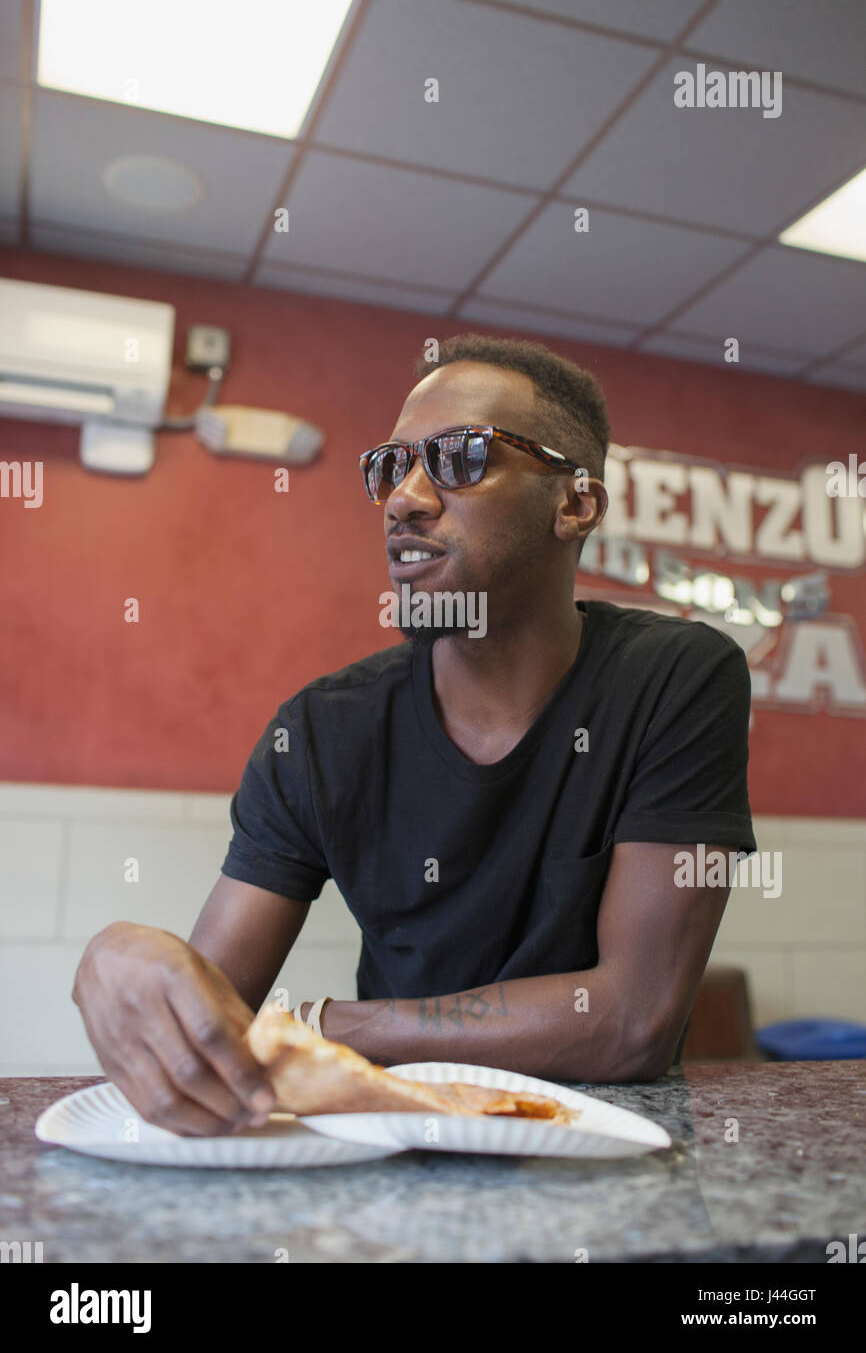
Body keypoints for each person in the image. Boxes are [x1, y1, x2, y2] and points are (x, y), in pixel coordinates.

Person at [73, 334, 755, 1137]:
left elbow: (632, 1020)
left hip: (609, 1149)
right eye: (391, 468)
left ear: (576, 504)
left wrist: (335, 1026)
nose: (405, 498)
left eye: (461, 457)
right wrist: (117, 956)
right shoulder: (322, 732)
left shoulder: (675, 677)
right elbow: (211, 1012)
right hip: (399, 1146)